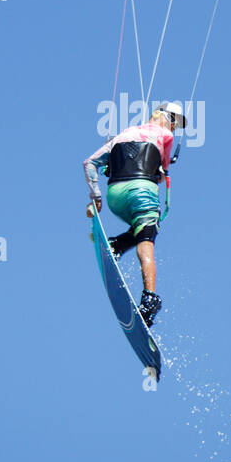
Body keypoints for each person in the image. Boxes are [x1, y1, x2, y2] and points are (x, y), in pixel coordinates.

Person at [83, 102, 184, 326]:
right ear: (164, 117)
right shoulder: (165, 134)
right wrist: (162, 171)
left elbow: (89, 163)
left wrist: (96, 196)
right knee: (147, 237)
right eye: (174, 122)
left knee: (141, 227)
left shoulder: (122, 135)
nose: (174, 128)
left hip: (115, 197)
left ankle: (116, 245)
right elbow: (162, 172)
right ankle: (149, 299)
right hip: (141, 190)